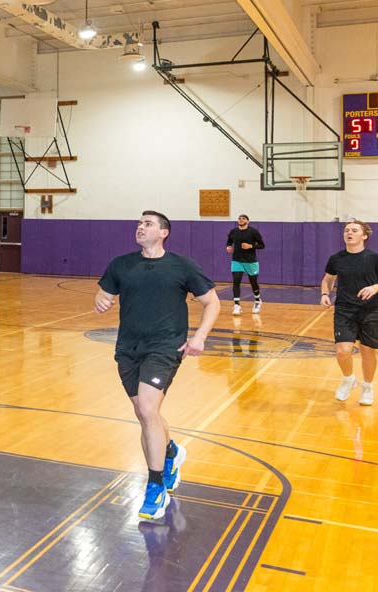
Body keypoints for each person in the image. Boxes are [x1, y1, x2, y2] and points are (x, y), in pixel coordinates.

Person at [94, 211, 219, 521]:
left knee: (148, 410)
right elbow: (104, 292)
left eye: (147, 223)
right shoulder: (121, 264)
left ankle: (155, 485)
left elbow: (212, 302)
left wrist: (200, 337)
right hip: (128, 349)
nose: (140, 226)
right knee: (144, 414)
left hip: (164, 347)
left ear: (164, 232)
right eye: (138, 222)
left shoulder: (181, 265)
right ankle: (171, 452)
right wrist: (101, 299)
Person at [320, 220, 378, 407]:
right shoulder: (336, 258)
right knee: (342, 351)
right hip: (344, 310)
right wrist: (324, 293)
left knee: (368, 352)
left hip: (370, 311)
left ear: (364, 236)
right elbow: (328, 280)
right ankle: (348, 379)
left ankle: (367, 387)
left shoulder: (375, 258)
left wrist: (376, 287)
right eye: (347, 230)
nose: (349, 233)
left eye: (354, 230)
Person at [225, 214, 265, 315]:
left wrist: (250, 246)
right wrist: (229, 246)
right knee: (236, 281)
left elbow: (262, 245)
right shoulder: (233, 232)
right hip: (237, 260)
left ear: (248, 221)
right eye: (239, 218)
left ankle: (257, 300)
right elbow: (229, 241)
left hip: (250, 261)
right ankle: (237, 305)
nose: (241, 220)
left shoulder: (253, 232)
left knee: (253, 282)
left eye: (243, 219)